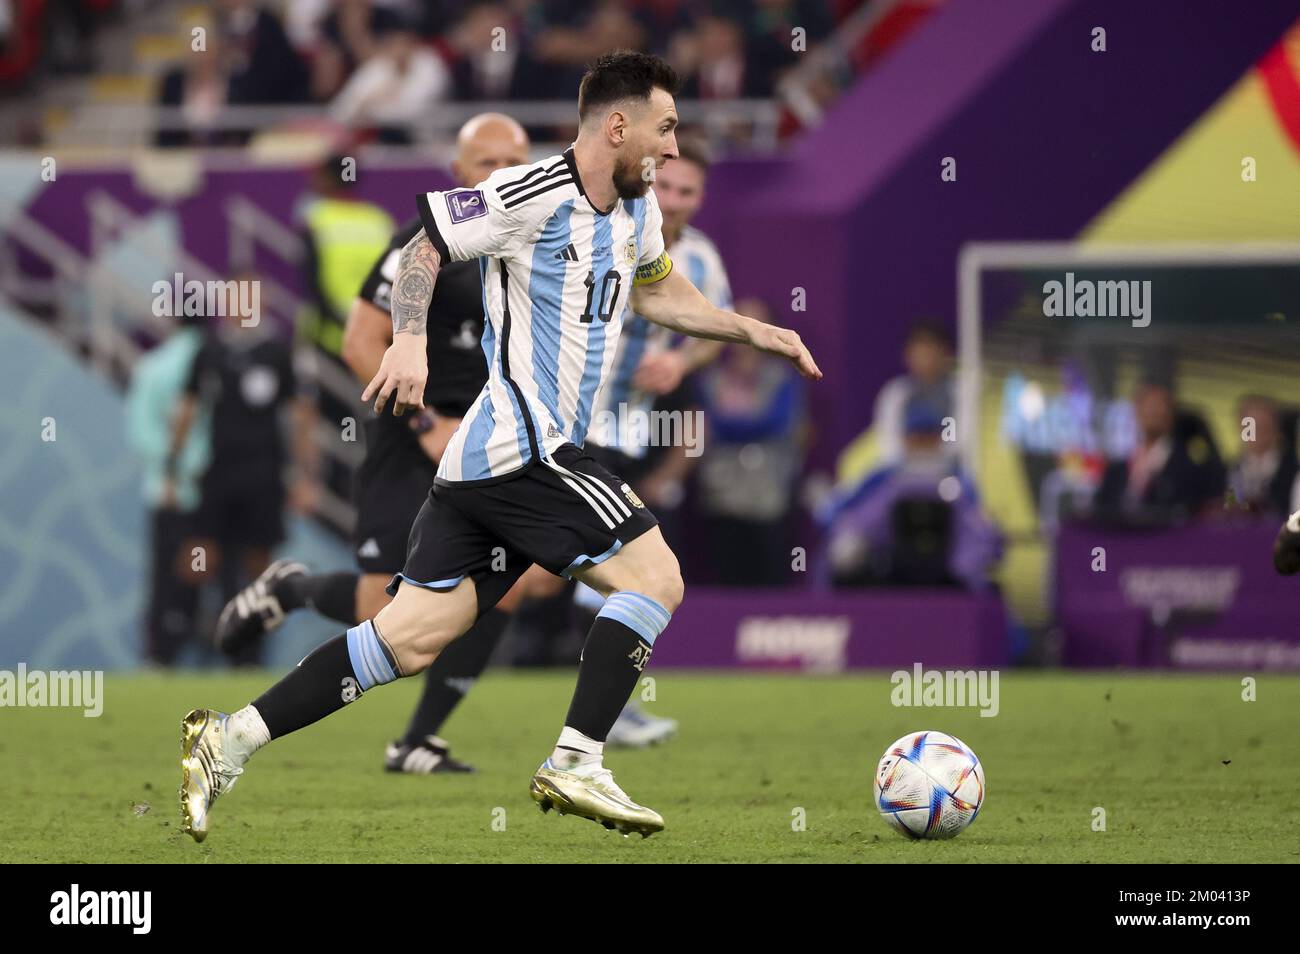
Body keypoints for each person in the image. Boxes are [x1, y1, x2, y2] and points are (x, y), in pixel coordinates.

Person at [179, 51, 820, 842]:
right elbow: (421, 249)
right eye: (666, 128)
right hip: (526, 446)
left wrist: (750, 329)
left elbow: (657, 290)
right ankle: (579, 761)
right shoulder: (531, 193)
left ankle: (228, 739)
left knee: (405, 639)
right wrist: (408, 342)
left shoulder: (636, 204)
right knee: (656, 578)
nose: (675, 148)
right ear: (617, 126)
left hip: (482, 464)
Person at [217, 112, 571, 773]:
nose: (502, 172)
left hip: (490, 441)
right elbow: (360, 342)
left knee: (513, 587)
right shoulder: (428, 238)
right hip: (413, 436)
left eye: (515, 159)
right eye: (486, 161)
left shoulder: (545, 242)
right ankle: (293, 590)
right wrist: (424, 423)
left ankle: (418, 740)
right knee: (391, 603)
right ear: (459, 174)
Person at [168, 289, 320, 665]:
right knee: (199, 558)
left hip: (263, 475)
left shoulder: (277, 352)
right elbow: (187, 407)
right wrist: (172, 467)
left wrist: (303, 477)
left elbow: (300, 416)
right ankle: (174, 642)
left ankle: (250, 654)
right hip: (218, 472)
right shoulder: (210, 351)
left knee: (259, 565)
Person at [124, 314, 211, 666]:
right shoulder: (213, 363)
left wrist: (171, 473)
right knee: (199, 577)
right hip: (206, 491)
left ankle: (159, 656)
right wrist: (193, 469)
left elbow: (141, 433)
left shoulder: (152, 365)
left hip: (164, 491)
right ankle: (199, 652)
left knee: (162, 578)